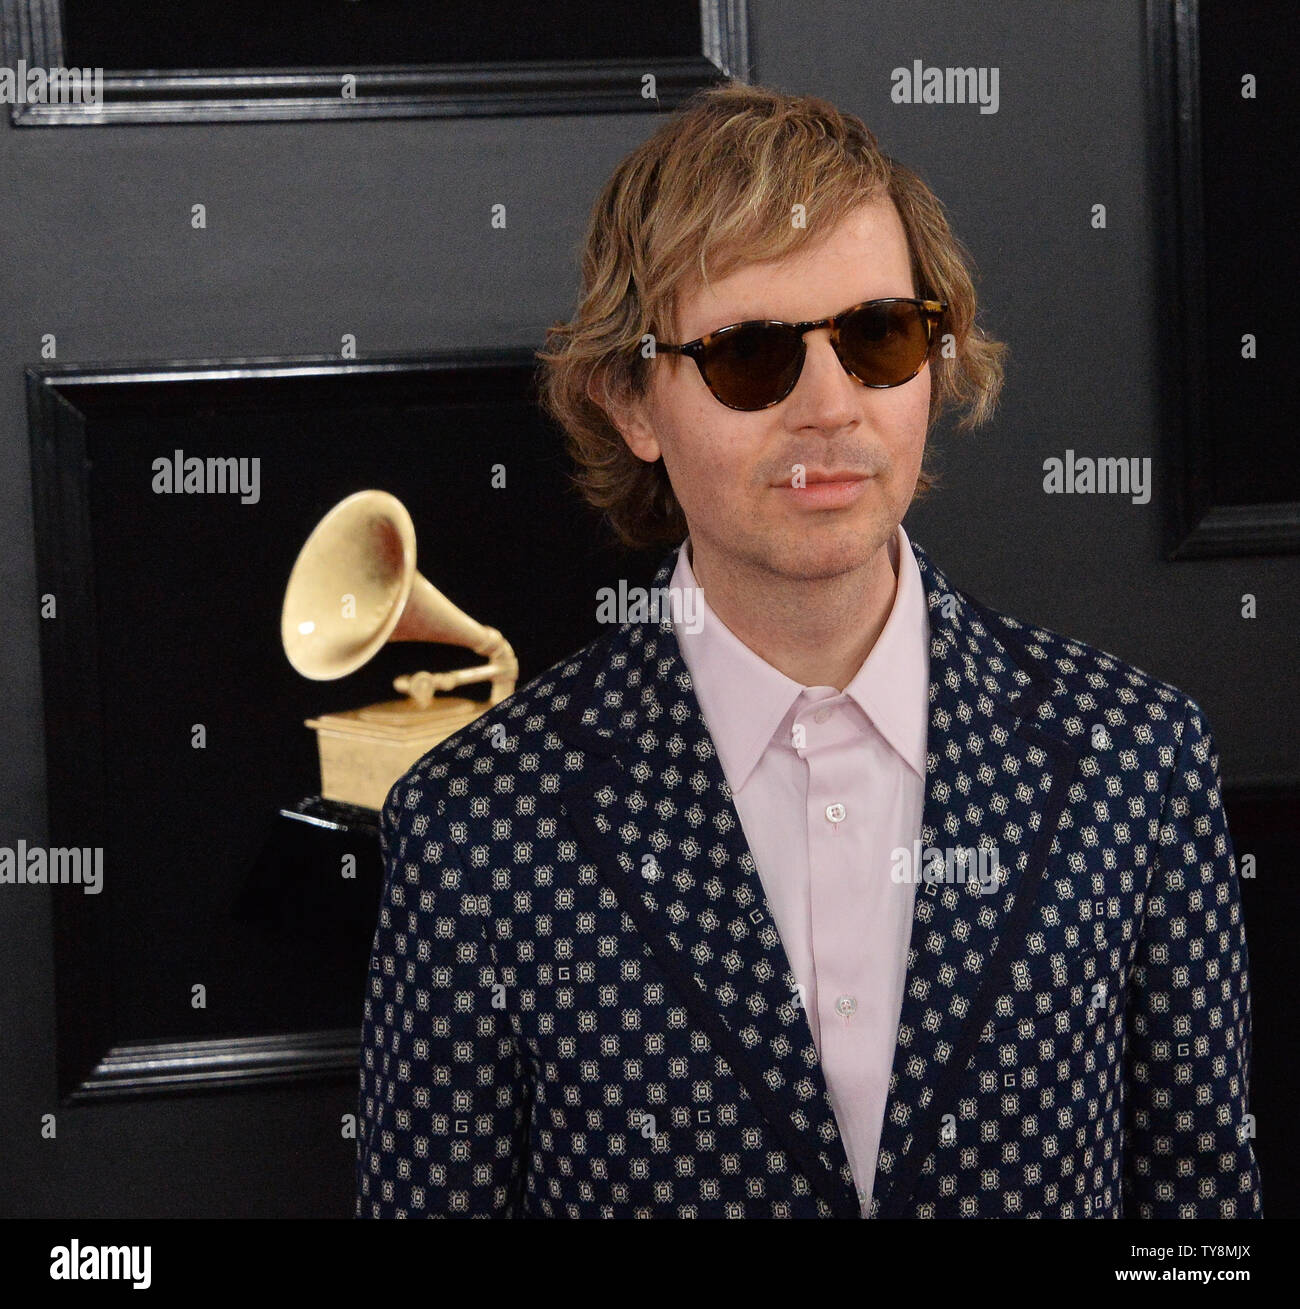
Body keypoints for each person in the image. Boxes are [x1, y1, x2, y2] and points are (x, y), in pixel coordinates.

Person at [356, 80, 1261, 1219]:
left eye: (878, 336)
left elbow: (1200, 1218)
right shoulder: (474, 824)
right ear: (632, 401)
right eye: (748, 354)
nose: (831, 406)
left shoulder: (1137, 759)